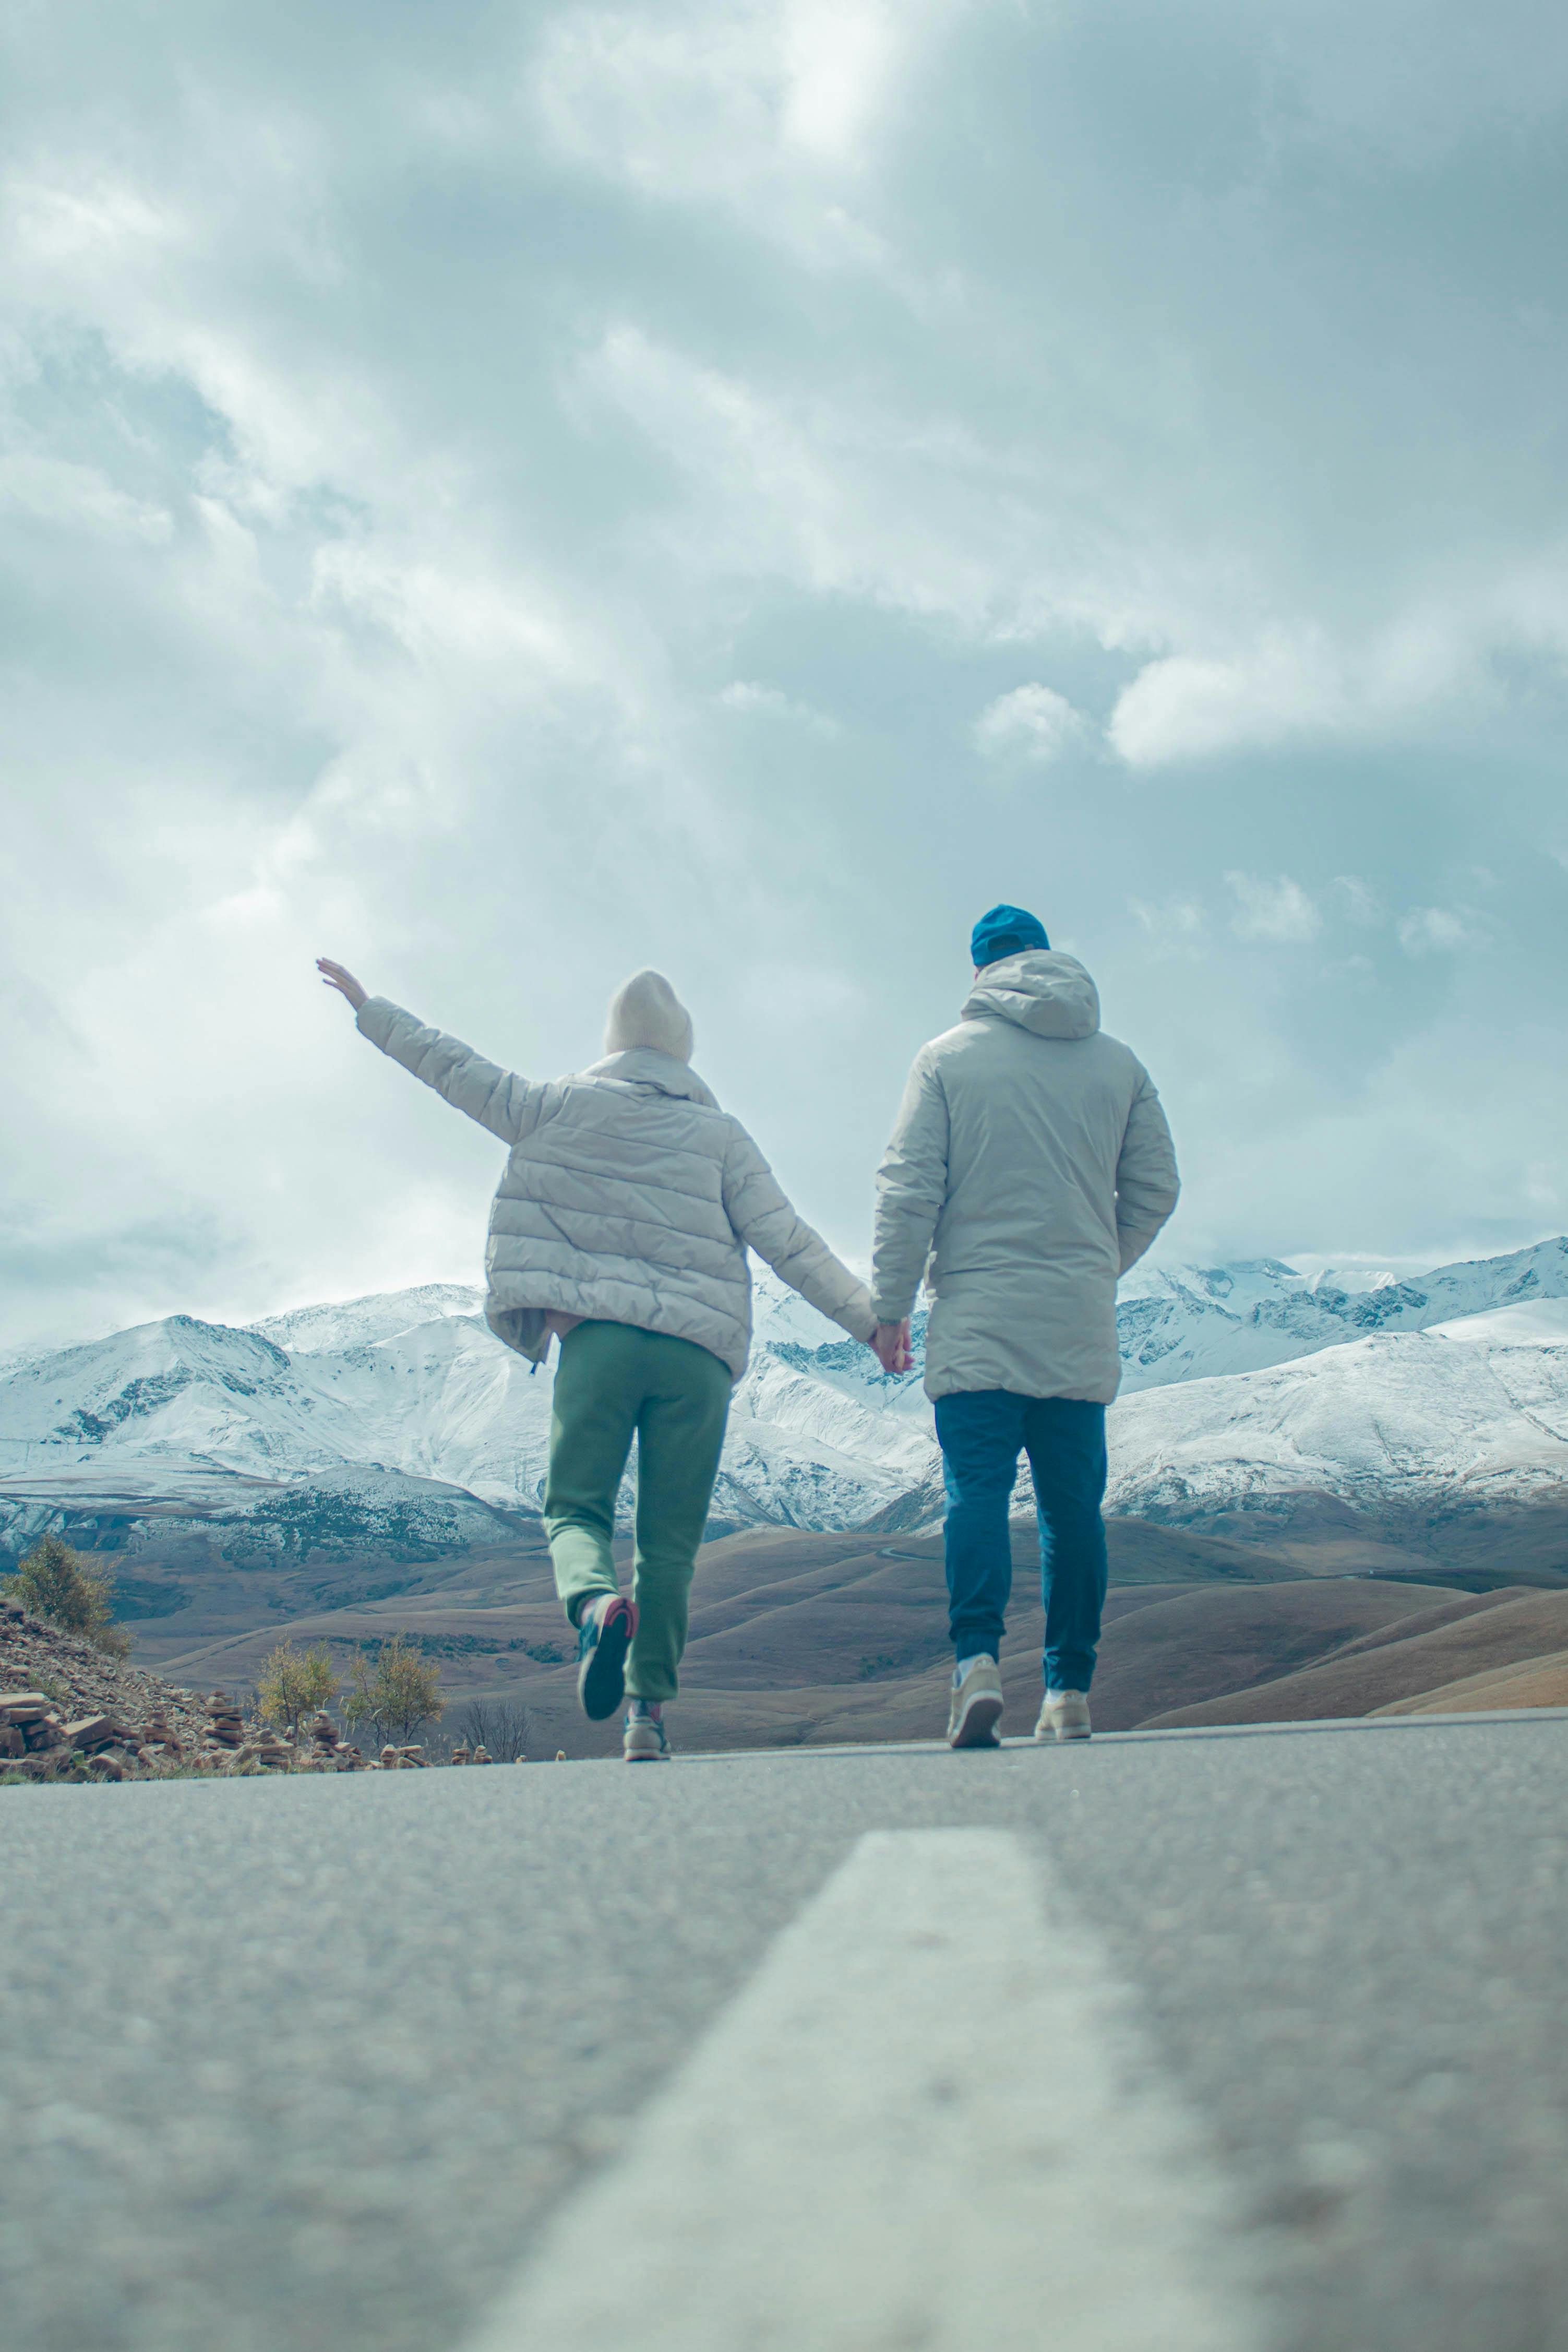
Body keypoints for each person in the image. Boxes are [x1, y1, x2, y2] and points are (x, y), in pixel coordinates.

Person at [318, 957, 877, 1761]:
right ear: (683, 1053)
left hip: (599, 1345)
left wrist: (374, 1011)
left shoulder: (552, 1106)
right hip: (697, 1361)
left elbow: (455, 1070)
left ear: (611, 1043)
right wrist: (869, 1325)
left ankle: (590, 1607)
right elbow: (789, 1242)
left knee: (574, 1507)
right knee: (669, 1542)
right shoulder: (721, 1137)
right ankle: (646, 1717)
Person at [867, 904, 1179, 1749]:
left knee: (976, 1494)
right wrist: (1094, 1264)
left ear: (977, 973)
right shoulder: (1118, 1065)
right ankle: (1069, 1691)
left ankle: (974, 1663)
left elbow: (907, 1191)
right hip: (1074, 1319)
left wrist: (890, 1308)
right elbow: (1156, 1188)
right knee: (1072, 1509)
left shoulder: (944, 1060)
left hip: (975, 1314)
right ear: (1044, 959)